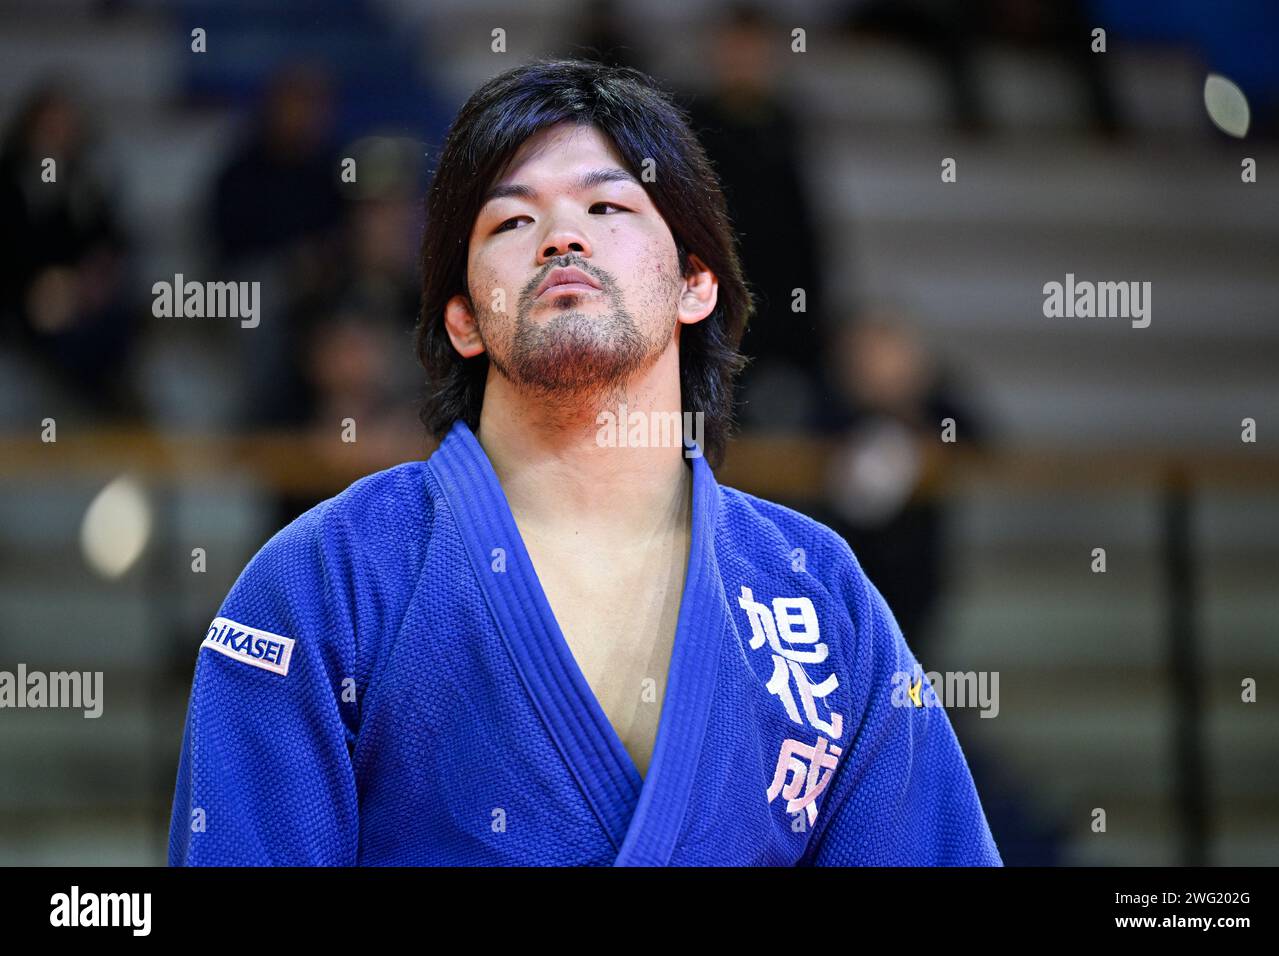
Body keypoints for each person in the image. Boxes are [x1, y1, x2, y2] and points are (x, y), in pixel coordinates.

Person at [168, 58, 1001, 866]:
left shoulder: (819, 598)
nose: (562, 235)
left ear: (695, 282)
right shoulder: (323, 584)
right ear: (462, 319)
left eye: (608, 208)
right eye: (512, 221)